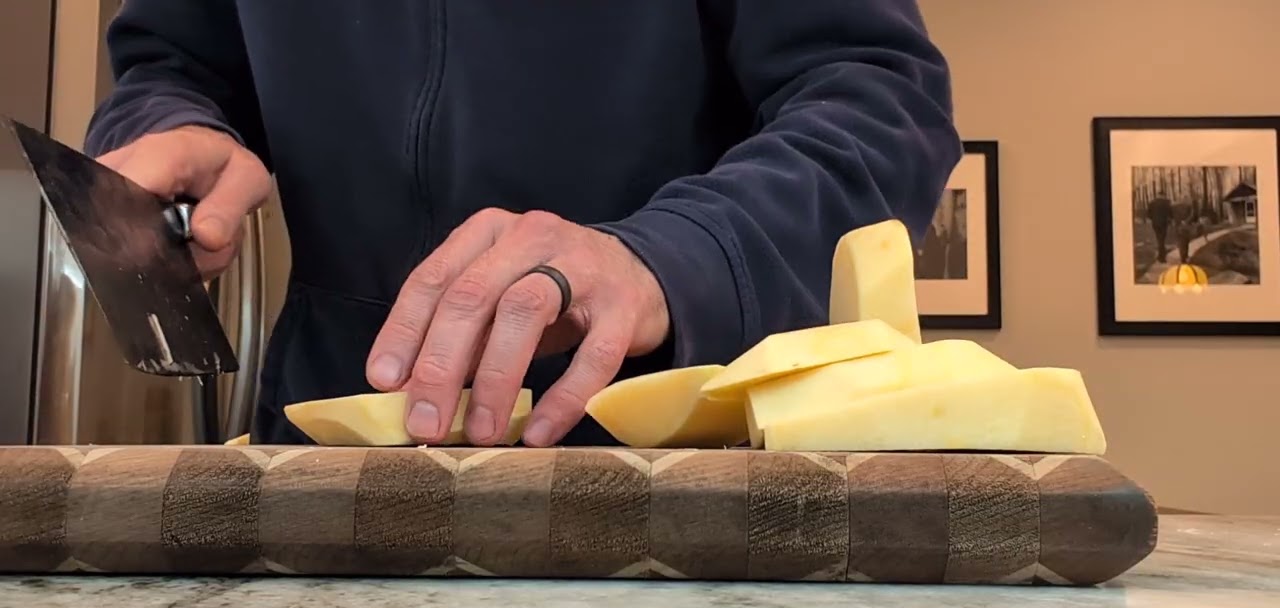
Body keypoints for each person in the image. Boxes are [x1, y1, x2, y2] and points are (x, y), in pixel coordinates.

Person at [85, 1, 962, 447]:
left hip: (661, 457)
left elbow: (880, 104)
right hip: (323, 443)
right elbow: (170, 58)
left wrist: (665, 259)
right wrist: (166, 124)